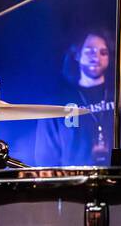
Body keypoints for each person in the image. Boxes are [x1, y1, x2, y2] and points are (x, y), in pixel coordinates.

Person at [34, 29, 114, 167]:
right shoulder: (57, 103)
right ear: (77, 54)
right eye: (90, 51)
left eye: (103, 52)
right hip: (75, 185)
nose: (96, 57)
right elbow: (45, 160)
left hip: (120, 182)